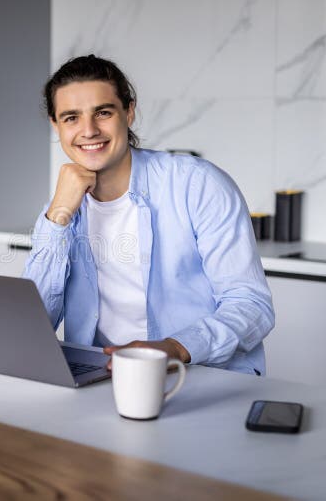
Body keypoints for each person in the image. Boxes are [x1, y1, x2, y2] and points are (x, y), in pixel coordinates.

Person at [23, 55, 274, 375]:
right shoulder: (59, 207)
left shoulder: (197, 183)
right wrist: (57, 218)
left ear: (129, 111)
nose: (88, 130)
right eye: (71, 117)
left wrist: (175, 347)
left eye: (102, 112)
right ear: (55, 125)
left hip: (201, 375)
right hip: (102, 378)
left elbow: (252, 306)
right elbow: (34, 323)